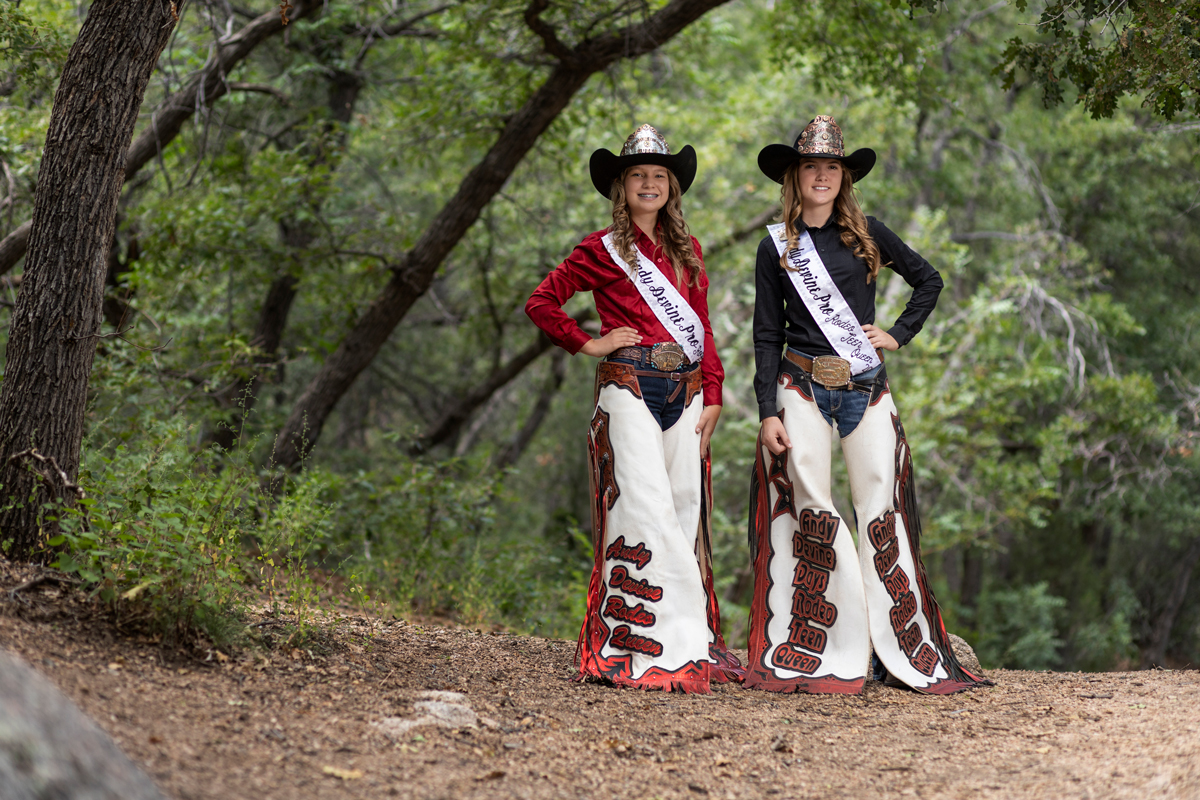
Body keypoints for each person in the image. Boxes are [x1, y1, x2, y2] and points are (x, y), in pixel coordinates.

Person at [744, 116, 987, 694]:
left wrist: (898, 334)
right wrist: (766, 411)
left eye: (832, 167)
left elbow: (929, 281)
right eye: (811, 167)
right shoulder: (775, 246)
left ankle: (894, 646)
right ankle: (837, 644)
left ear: (843, 177)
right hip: (800, 386)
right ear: (795, 177)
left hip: (864, 387)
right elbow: (764, 334)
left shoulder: (868, 233)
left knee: (881, 509)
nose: (822, 176)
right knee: (815, 508)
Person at [525, 124, 743, 692]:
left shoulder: (686, 250)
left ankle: (688, 640)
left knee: (683, 508)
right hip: (627, 386)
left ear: (671, 188)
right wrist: (589, 342)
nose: (649, 184)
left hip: (686, 391)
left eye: (659, 176)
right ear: (620, 188)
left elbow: (703, 328)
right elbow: (542, 301)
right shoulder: (601, 249)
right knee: (642, 509)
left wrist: (714, 391)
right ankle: (647, 646)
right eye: (638, 176)